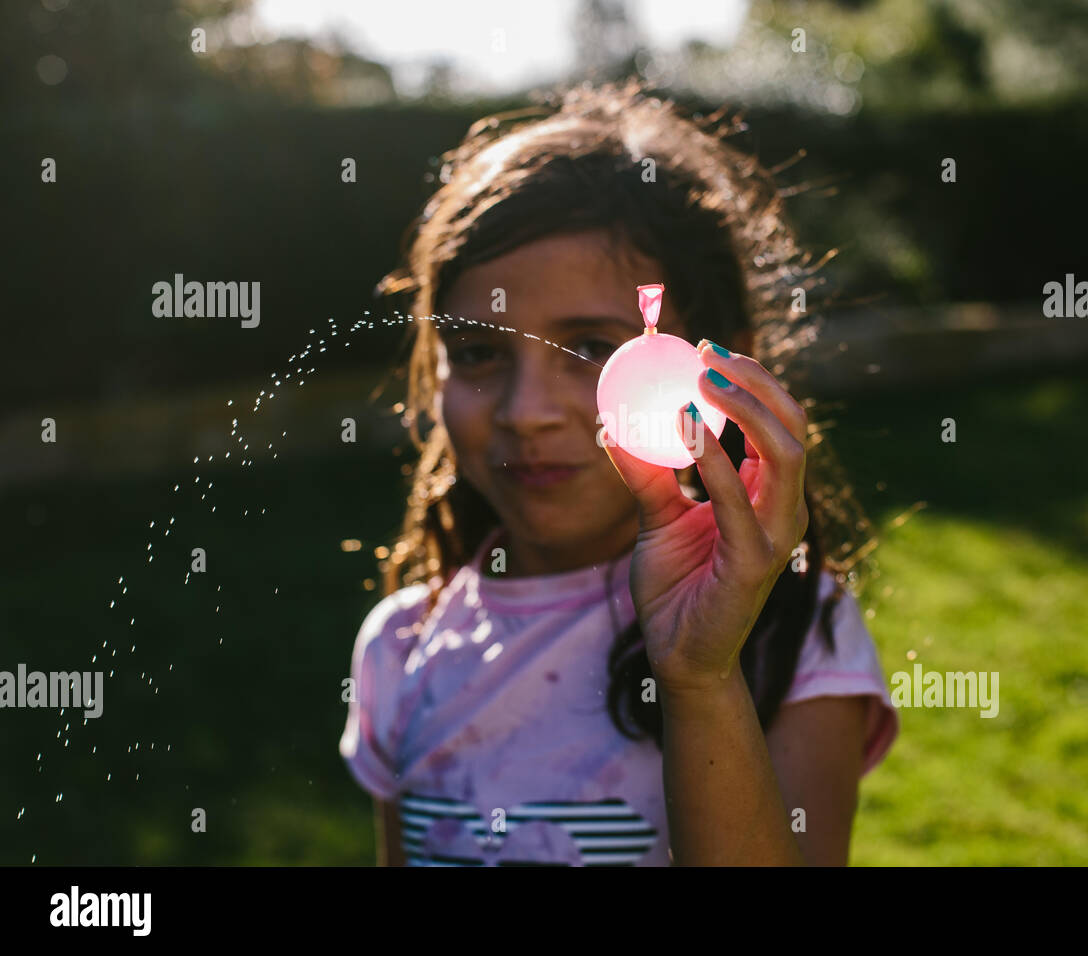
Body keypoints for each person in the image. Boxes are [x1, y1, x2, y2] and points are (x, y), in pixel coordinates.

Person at [339, 77, 898, 866]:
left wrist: (700, 681)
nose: (527, 412)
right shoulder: (400, 647)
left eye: (597, 350)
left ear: (724, 367)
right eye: (477, 353)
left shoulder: (787, 630)